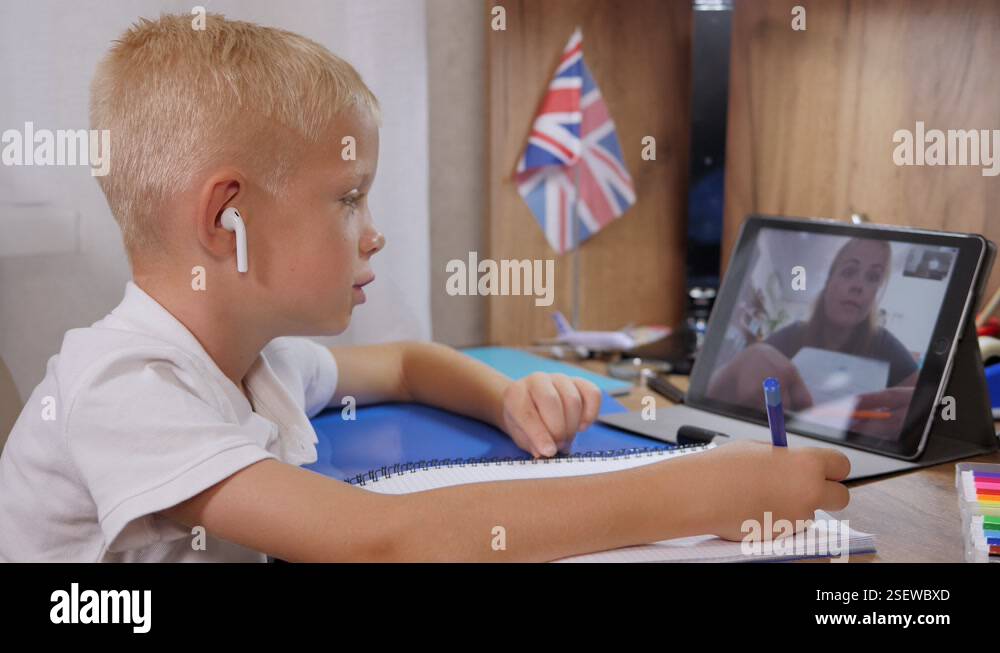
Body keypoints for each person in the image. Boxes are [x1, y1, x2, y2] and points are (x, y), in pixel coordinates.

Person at [0, 14, 850, 562]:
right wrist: (701, 491)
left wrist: (507, 396)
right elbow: (386, 541)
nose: (374, 229)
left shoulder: (255, 359)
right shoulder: (126, 386)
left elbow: (405, 365)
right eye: (348, 197)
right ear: (229, 221)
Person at [708, 237, 917, 439]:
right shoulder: (793, 334)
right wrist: (739, 365)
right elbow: (709, 391)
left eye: (873, 277)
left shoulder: (885, 343)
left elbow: (926, 397)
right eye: (849, 271)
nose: (858, 286)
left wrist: (920, 412)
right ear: (829, 281)